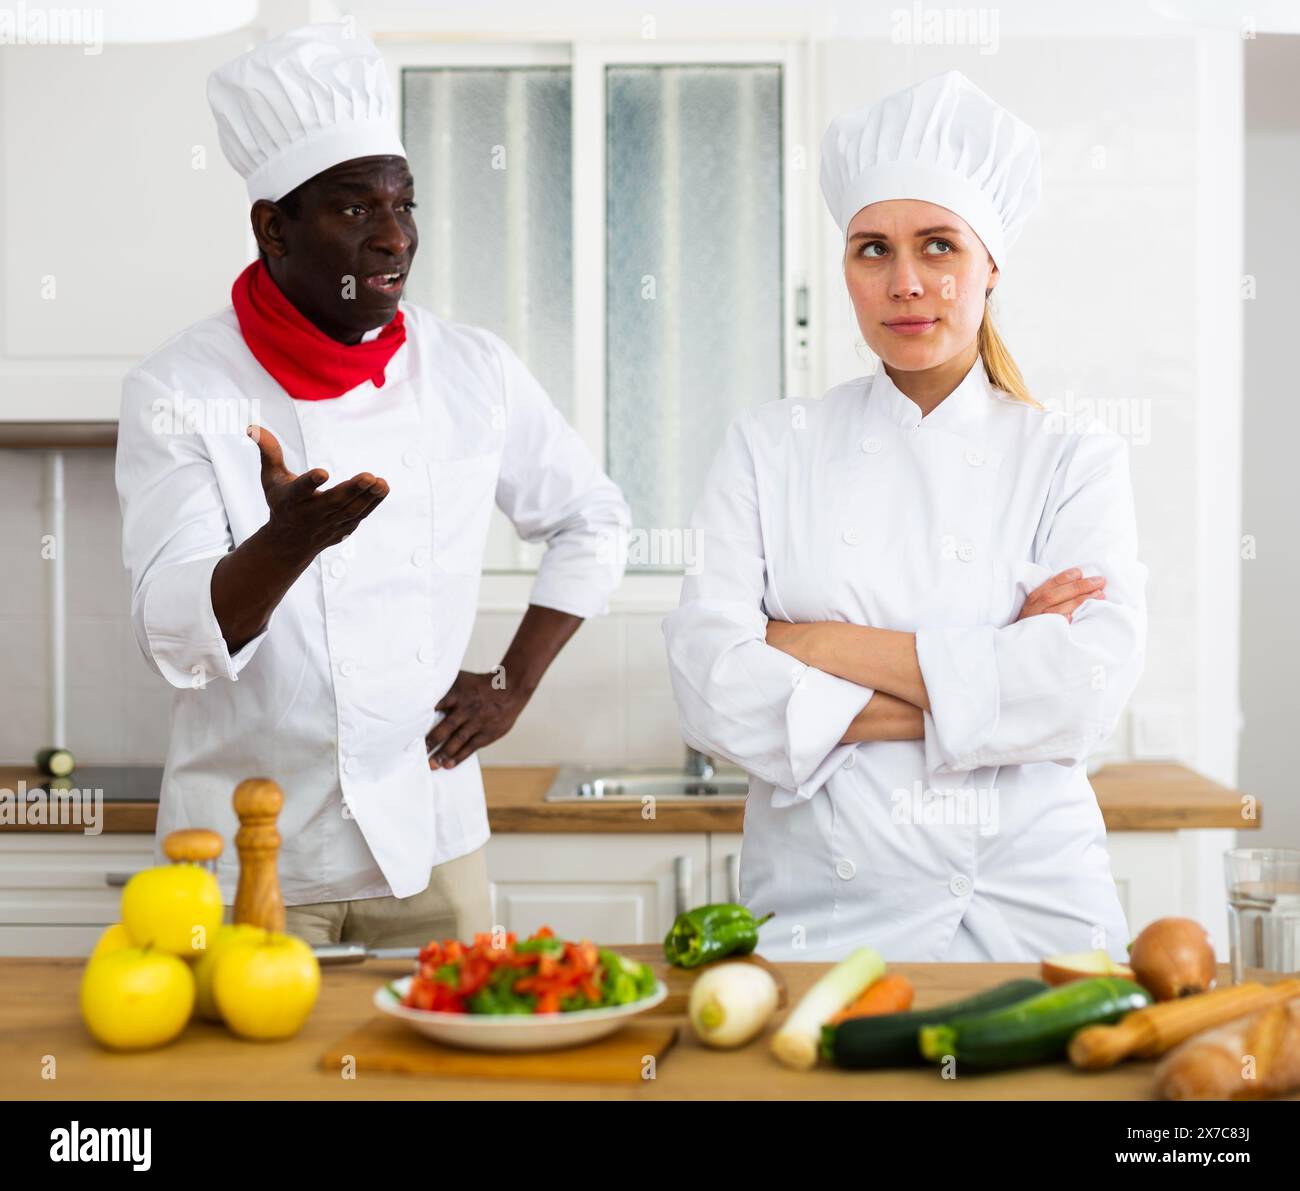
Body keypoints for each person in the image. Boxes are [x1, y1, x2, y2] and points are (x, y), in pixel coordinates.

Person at [115, 23, 631, 947]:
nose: (394, 236)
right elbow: (174, 639)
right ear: (273, 228)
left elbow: (592, 519)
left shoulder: (470, 368)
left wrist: (511, 682)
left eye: (404, 204)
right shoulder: (180, 386)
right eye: (355, 208)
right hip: (250, 853)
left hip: (431, 841)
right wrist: (286, 546)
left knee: (455, 1045)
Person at [662, 70, 1147, 963]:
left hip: (1032, 914)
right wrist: (993, 673)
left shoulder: (1071, 456)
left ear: (991, 266)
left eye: (939, 247)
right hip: (822, 918)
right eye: (873, 250)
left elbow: (1083, 690)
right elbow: (709, 689)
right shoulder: (769, 446)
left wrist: (808, 643)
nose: (906, 283)